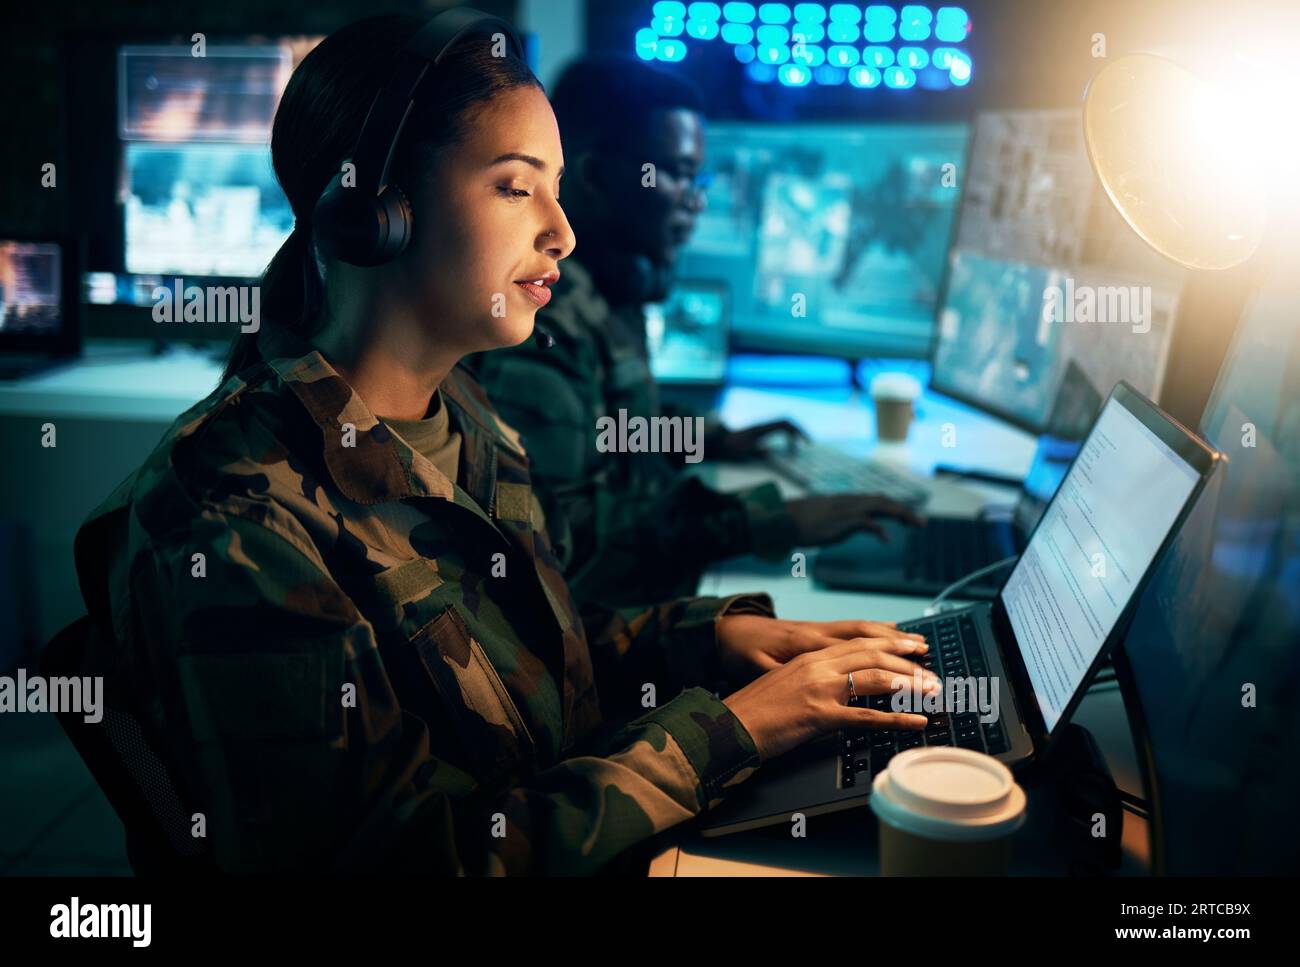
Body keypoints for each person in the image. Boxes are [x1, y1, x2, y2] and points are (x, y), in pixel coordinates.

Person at [71, 14, 936, 876]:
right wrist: (734, 731)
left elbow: (533, 658)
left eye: (557, 187)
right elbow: (408, 865)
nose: (562, 231)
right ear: (377, 207)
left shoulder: (465, 409)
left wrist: (716, 640)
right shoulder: (234, 522)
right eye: (517, 187)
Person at [471, 55, 922, 609]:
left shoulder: (610, 298)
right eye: (678, 173)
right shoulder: (540, 329)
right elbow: (572, 539)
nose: (697, 199)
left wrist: (710, 439)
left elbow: (613, 432)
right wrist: (769, 520)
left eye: (698, 177)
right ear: (593, 178)